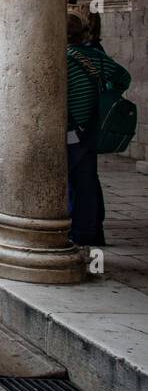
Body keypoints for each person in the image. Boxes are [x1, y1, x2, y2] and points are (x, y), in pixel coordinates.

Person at [66, 13, 130, 247]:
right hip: (93, 128)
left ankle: (71, 231)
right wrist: (102, 96)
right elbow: (124, 78)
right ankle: (90, 232)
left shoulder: (62, 59)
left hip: (71, 130)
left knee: (67, 182)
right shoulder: (95, 56)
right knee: (87, 182)